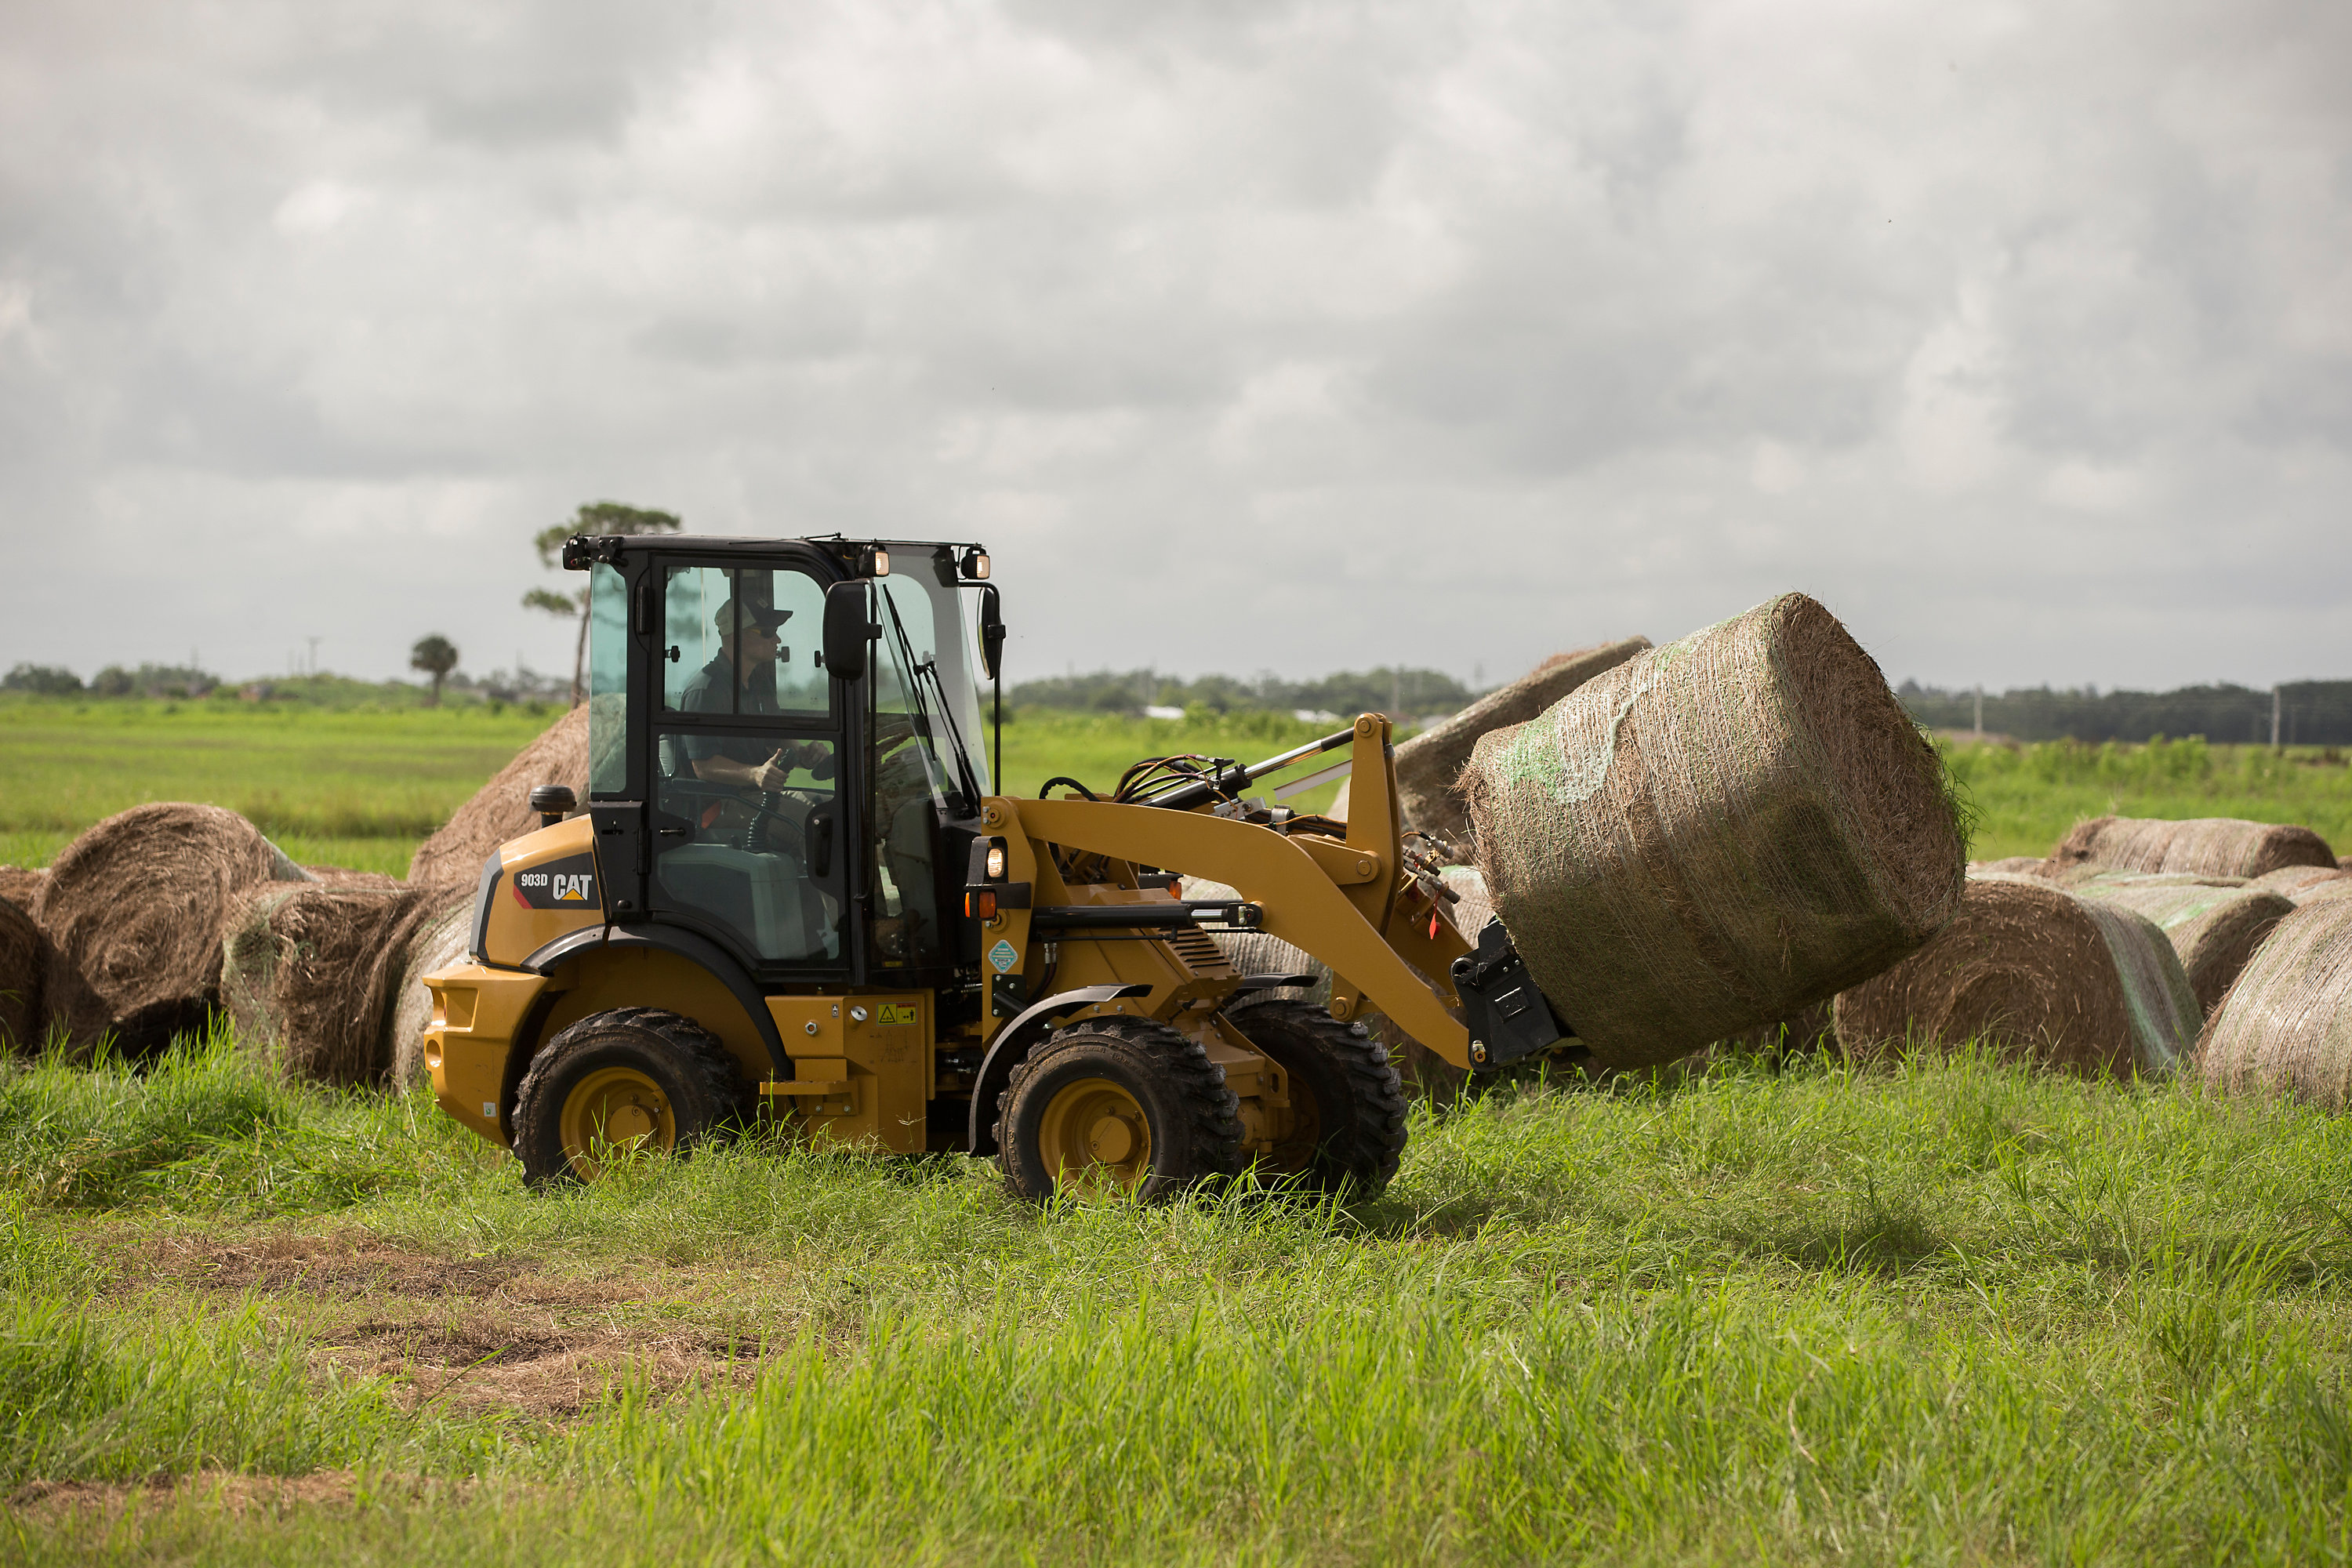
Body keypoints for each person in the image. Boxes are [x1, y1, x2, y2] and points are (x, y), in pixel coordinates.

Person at [674, 590, 833, 852]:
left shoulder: (759, 682)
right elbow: (703, 767)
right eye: (768, 632)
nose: (778, 639)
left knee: (841, 813)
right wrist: (755, 774)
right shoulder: (706, 690)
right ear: (737, 636)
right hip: (720, 804)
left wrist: (803, 752)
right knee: (818, 825)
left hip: (754, 796)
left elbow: (777, 735)